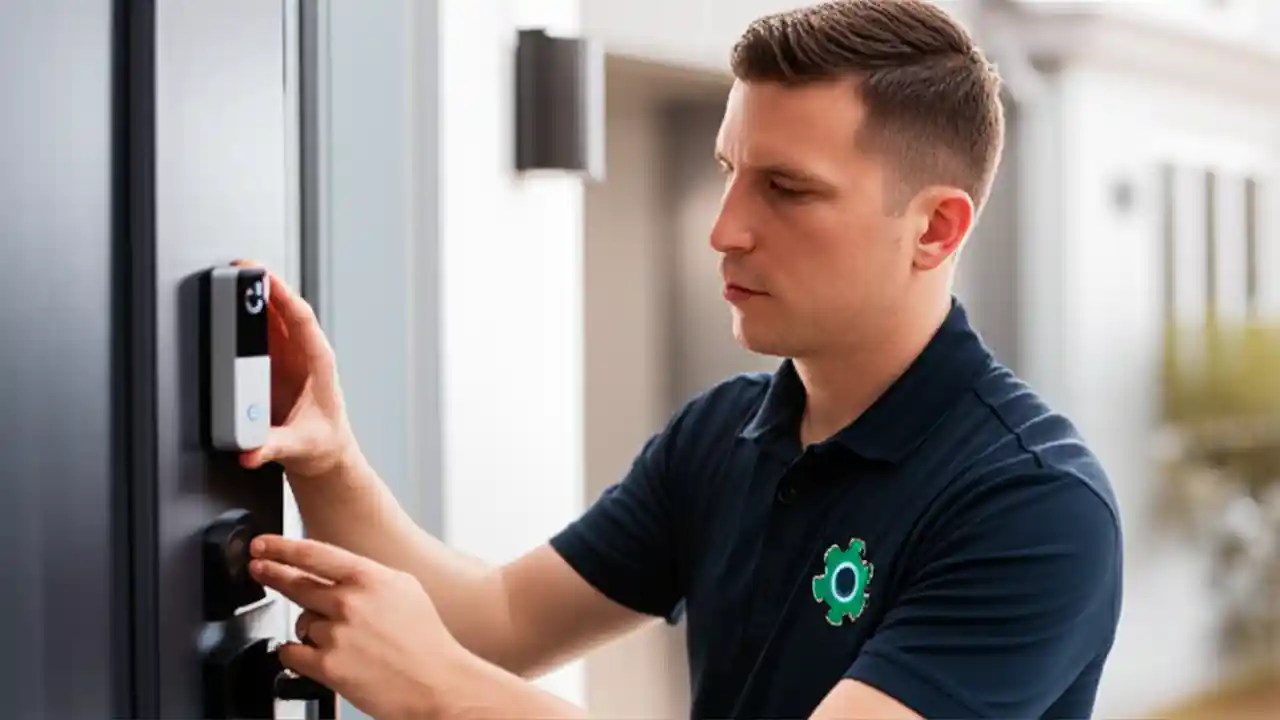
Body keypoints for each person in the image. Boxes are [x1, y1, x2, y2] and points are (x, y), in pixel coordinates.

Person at [240, 1, 1123, 717]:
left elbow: (456, 663)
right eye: (729, 171)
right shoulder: (722, 434)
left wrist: (445, 692)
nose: (725, 229)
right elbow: (494, 621)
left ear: (935, 228)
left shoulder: (1033, 505)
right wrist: (328, 460)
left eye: (785, 189)